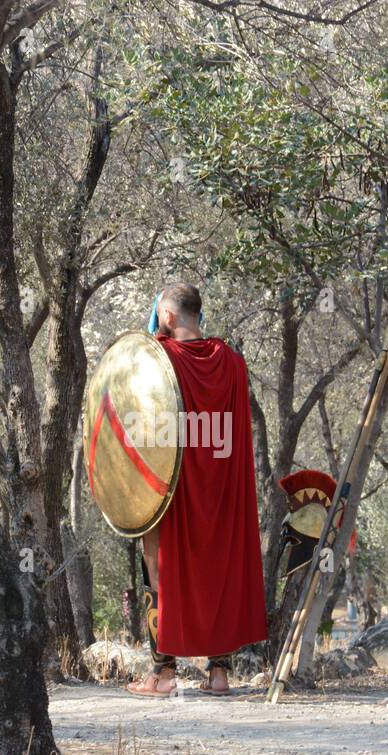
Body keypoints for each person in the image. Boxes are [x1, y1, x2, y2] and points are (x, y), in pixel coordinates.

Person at [127, 283, 267, 696]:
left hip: (171, 491)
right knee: (217, 573)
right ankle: (218, 675)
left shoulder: (160, 359)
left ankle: (163, 674)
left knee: (157, 571)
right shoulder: (233, 362)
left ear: (167, 316)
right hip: (222, 490)